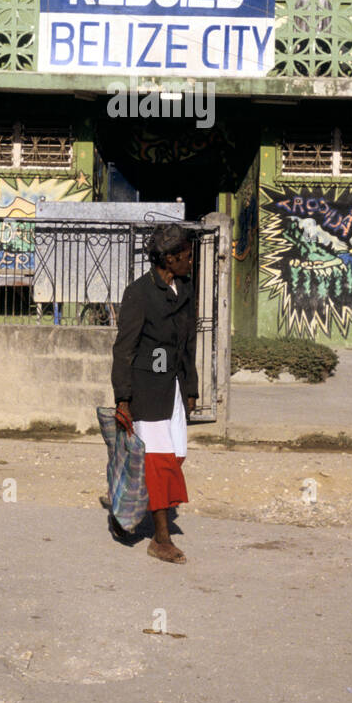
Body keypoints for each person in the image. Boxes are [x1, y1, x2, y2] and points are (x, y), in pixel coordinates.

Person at [110, 223, 198, 564]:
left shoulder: (185, 289)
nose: (191, 262)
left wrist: (189, 389)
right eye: (187, 257)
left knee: (175, 457)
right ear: (170, 258)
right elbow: (124, 350)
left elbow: (187, 344)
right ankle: (160, 539)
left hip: (172, 389)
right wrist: (123, 398)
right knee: (160, 462)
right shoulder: (139, 294)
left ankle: (123, 512)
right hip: (146, 391)